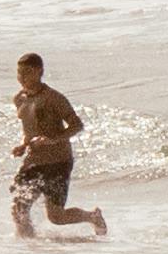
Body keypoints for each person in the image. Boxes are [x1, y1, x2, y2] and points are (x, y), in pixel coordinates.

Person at [9, 54, 105, 238]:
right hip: (34, 160)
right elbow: (30, 130)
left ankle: (92, 217)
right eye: (19, 73)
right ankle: (29, 249)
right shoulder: (19, 99)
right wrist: (23, 145)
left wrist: (52, 140)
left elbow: (77, 125)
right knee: (19, 209)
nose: (22, 78)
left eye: (27, 73)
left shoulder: (54, 98)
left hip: (58, 161)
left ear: (40, 72)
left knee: (56, 217)